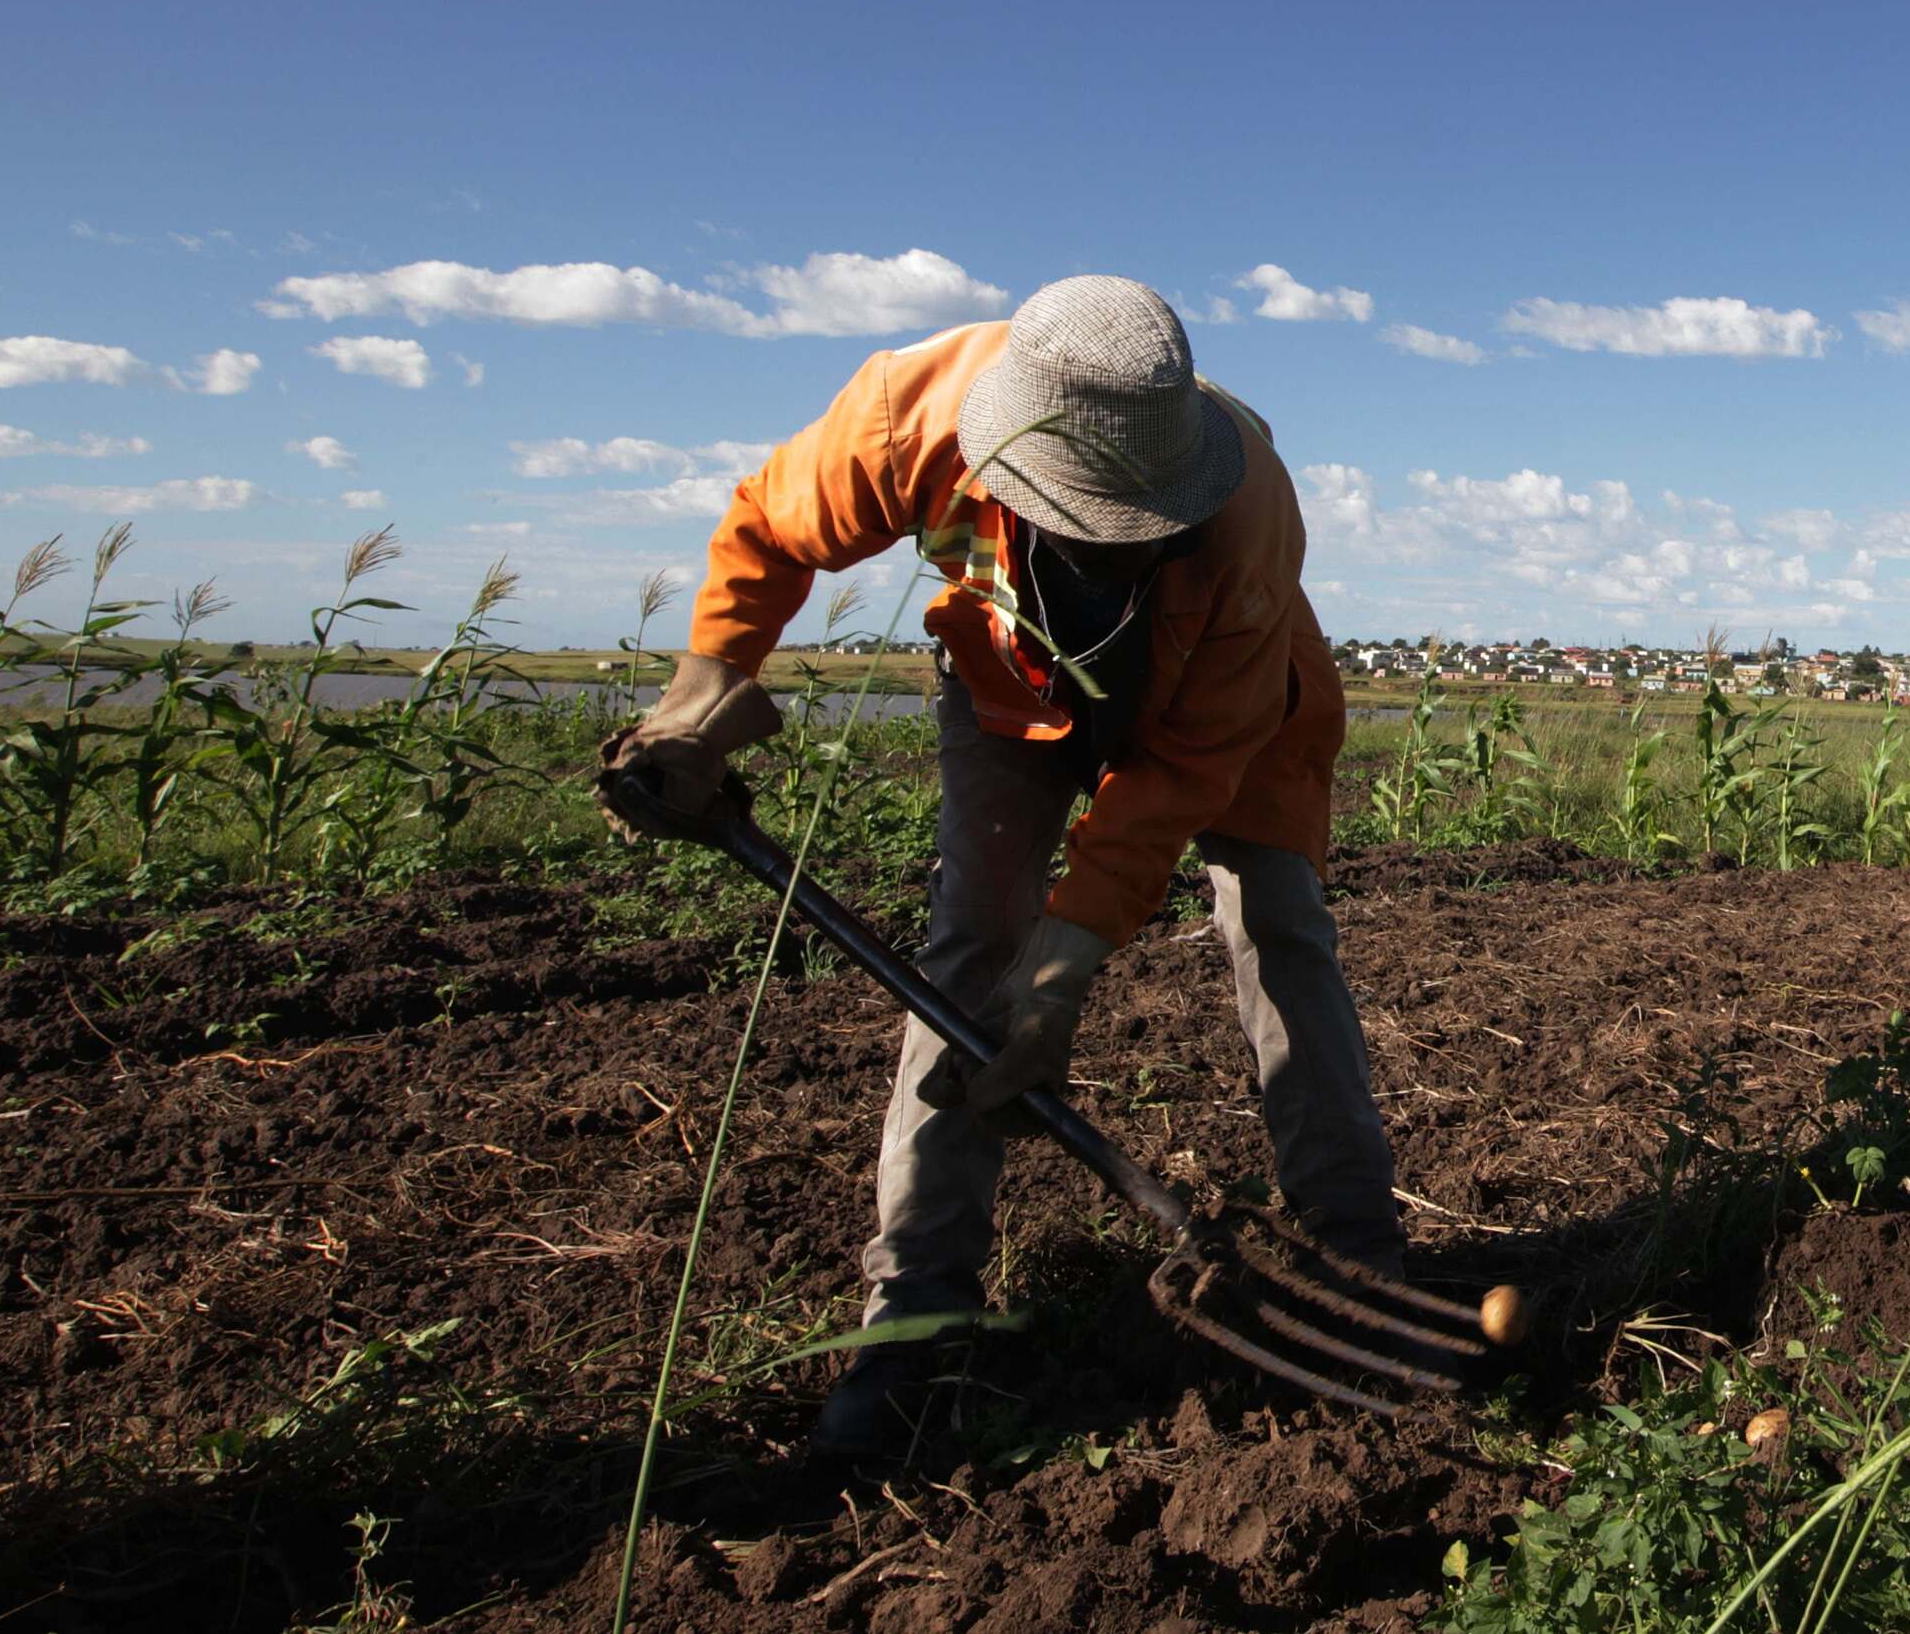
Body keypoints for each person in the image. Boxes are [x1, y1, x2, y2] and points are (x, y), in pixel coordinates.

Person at [594, 275, 1396, 1457]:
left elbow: (1174, 782)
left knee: (1278, 927)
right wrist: (699, 700)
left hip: (1233, 710)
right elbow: (770, 526)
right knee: (973, 944)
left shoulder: (1246, 523)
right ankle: (916, 1312)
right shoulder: (909, 415)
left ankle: (1355, 1248)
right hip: (1008, 680)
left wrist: (1062, 978)